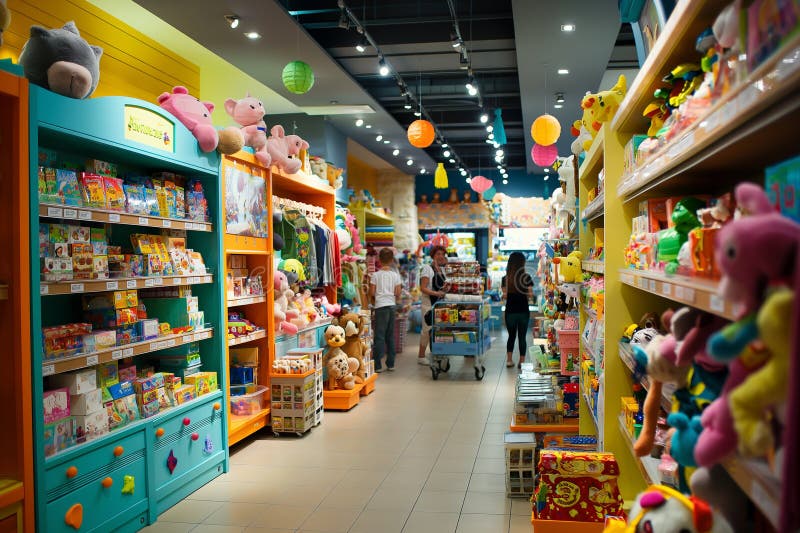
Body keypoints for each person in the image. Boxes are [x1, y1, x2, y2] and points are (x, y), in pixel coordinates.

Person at [370, 247, 403, 372]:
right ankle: (391, 364)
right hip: (391, 306)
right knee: (390, 336)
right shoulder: (395, 275)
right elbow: (398, 292)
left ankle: (378, 365)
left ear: (379, 259)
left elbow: (372, 292)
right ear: (391, 260)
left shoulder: (375, 275)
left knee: (379, 336)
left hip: (380, 307)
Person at [417, 245, 448, 365]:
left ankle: (436, 352)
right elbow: (423, 288)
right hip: (428, 303)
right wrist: (436, 293)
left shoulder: (442, 269)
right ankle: (421, 356)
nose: (440, 256)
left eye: (442, 254)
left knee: (438, 328)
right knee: (427, 329)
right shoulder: (427, 269)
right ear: (433, 256)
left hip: (439, 303)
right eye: (438, 254)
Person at [502, 252, 533, 368]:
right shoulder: (526, 277)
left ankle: (509, 361)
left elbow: (504, 296)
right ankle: (522, 362)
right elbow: (530, 294)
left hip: (510, 311)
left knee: (511, 336)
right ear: (522, 264)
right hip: (523, 311)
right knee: (522, 337)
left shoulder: (505, 279)